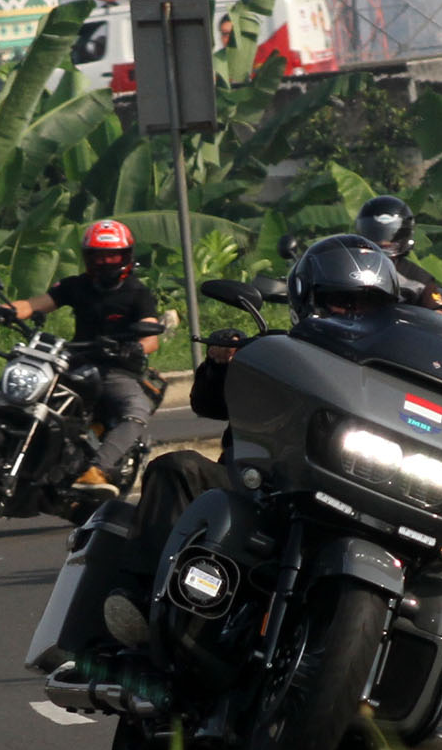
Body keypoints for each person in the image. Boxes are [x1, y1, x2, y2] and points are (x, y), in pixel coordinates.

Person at [99, 235, 405, 649]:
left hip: (355, 504)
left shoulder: (394, 374)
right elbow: (208, 403)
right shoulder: (279, 354)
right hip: (259, 492)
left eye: (366, 303)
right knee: (178, 469)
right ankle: (138, 599)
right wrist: (223, 363)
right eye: (339, 301)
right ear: (308, 300)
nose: (352, 312)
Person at [0, 219, 166, 495]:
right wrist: (5, 309)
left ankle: (98, 468)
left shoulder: (138, 293)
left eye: (112, 256)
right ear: (88, 258)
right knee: (26, 388)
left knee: (136, 412)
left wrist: (135, 348)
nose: (105, 262)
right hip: (76, 362)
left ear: (126, 256)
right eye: (98, 256)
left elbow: (151, 337)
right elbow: (35, 304)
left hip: (116, 368)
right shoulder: (76, 285)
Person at [354, 194, 442, 311]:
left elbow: (438, 316)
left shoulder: (419, 280)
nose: (383, 242)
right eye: (375, 233)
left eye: (392, 235)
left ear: (405, 234)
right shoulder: (347, 268)